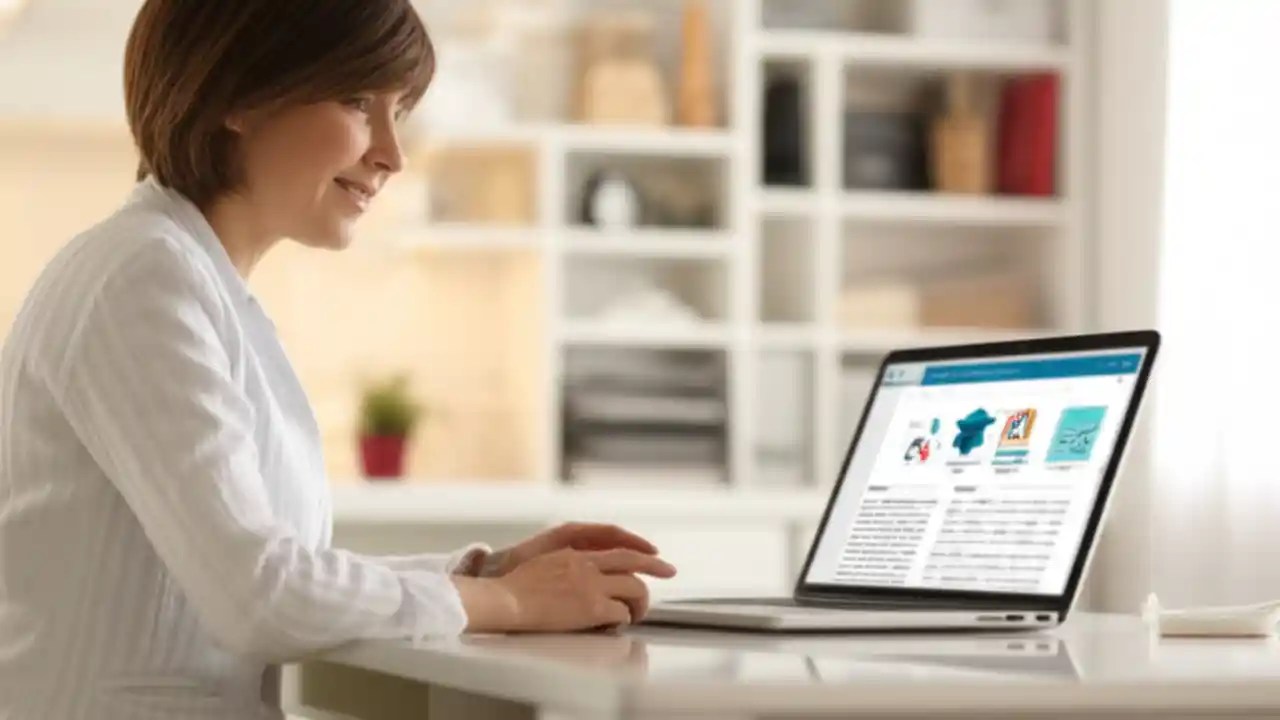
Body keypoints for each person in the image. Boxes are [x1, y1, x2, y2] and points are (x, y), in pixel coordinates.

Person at [0, 2, 676, 718]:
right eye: (358, 102)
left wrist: (486, 571)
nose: (392, 152)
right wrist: (505, 601)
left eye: (398, 110)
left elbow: (274, 573)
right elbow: (260, 595)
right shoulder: (142, 279)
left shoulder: (191, 282)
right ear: (239, 93)